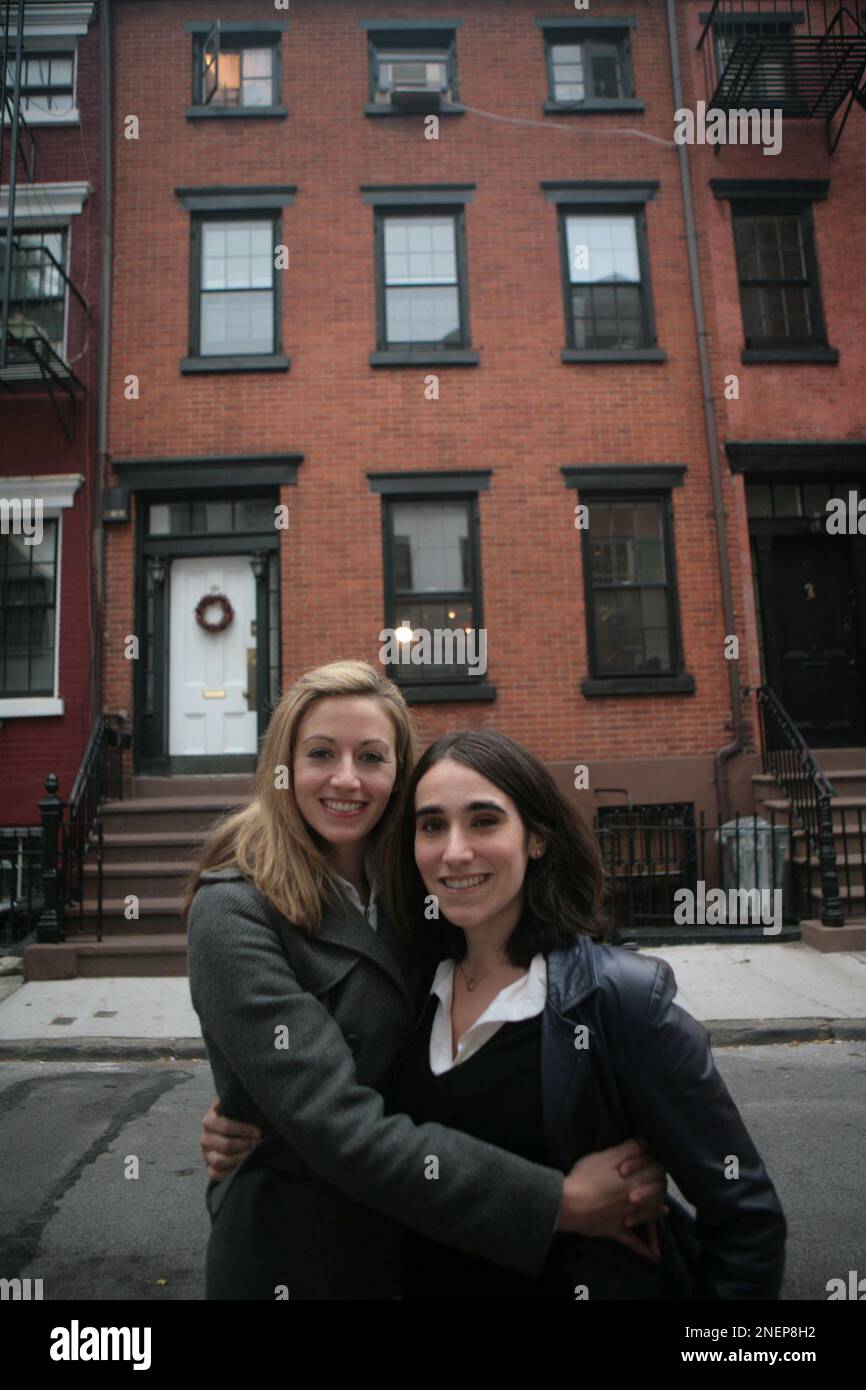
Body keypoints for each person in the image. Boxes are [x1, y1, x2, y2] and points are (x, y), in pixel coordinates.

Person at [207, 720, 788, 1300]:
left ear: (536, 838)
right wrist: (253, 1113)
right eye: (432, 825)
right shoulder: (411, 978)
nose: (456, 852)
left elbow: (744, 1217)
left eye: (484, 821)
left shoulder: (619, 1000)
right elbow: (344, 1109)